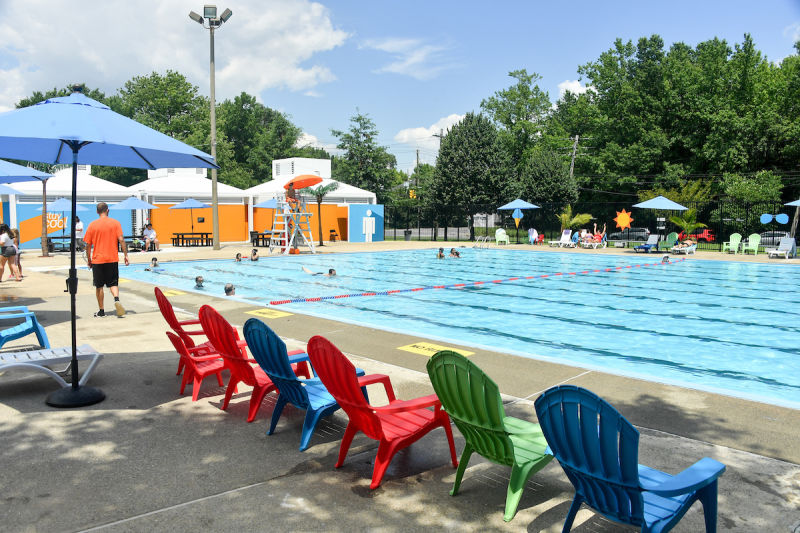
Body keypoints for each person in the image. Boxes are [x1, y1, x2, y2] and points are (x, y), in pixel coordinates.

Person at [84, 201, 129, 317]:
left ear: (97, 212)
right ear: (108, 210)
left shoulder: (92, 225)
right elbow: (122, 240)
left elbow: (88, 245)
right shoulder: (115, 223)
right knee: (113, 283)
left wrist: (89, 259)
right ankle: (116, 299)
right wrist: (125, 255)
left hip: (98, 260)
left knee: (99, 286)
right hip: (112, 259)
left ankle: (101, 311)